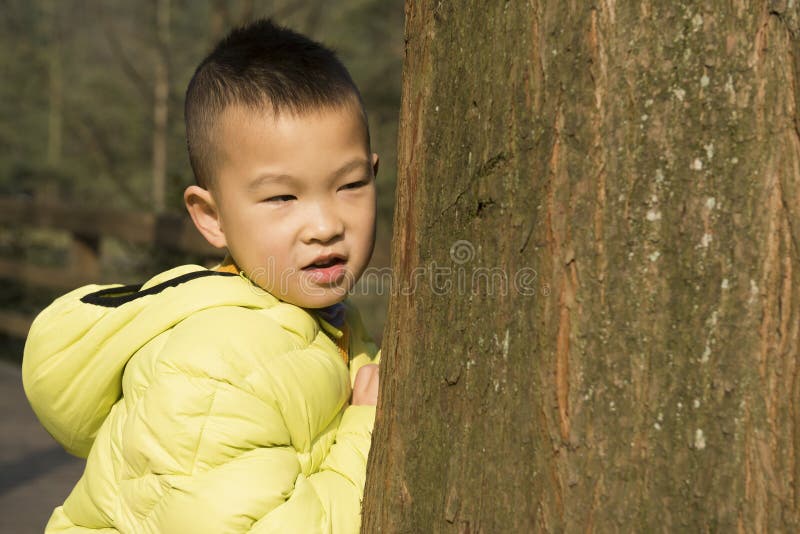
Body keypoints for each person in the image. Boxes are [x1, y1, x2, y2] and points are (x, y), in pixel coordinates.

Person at [22, 18, 381, 533]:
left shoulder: (323, 320)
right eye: (282, 197)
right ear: (210, 216)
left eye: (349, 185)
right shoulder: (210, 366)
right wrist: (371, 431)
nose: (325, 225)